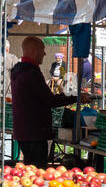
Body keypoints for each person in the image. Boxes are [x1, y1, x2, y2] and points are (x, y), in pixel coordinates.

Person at [11, 36, 76, 168]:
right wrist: (75, 97)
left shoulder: (19, 70)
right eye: (43, 50)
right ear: (34, 52)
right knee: (36, 170)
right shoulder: (31, 73)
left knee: (30, 169)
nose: (45, 53)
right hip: (34, 132)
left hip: (24, 131)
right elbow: (50, 100)